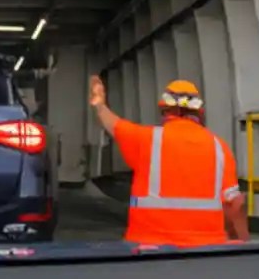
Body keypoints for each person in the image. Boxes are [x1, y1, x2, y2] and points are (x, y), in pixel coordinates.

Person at [88, 74, 248, 247]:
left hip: (148, 247)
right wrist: (243, 247)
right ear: (199, 112)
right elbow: (234, 207)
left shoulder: (146, 139)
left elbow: (114, 124)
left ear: (165, 111)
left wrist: (100, 103)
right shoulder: (220, 148)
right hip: (206, 250)